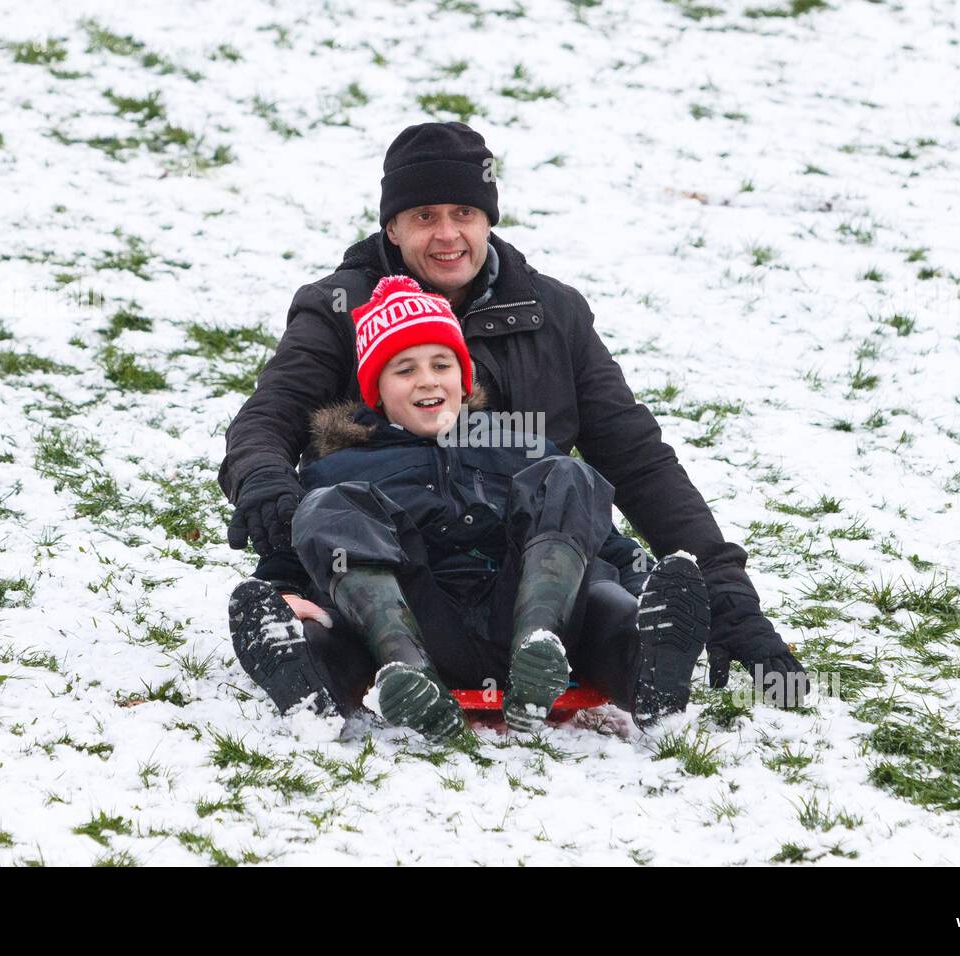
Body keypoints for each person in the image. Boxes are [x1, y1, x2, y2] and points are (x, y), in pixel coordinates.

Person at [222, 121, 807, 717]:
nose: (447, 235)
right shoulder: (340, 309)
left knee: (599, 584)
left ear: (488, 220)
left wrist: (730, 599)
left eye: (464, 213)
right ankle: (324, 664)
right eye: (424, 216)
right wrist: (265, 482)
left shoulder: (553, 313)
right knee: (337, 600)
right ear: (391, 226)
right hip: (398, 561)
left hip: (528, 564)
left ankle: (637, 658)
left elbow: (638, 458)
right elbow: (268, 419)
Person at [230, 275, 713, 737]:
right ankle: (353, 671)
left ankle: (639, 663)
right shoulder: (339, 468)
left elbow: (595, 536)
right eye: (405, 369)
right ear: (374, 391)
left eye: (442, 365)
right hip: (410, 621)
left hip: (532, 613)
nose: (427, 381)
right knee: (329, 517)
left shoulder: (521, 447)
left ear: (465, 380)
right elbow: (300, 546)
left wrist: (639, 583)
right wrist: (281, 590)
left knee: (569, 479)